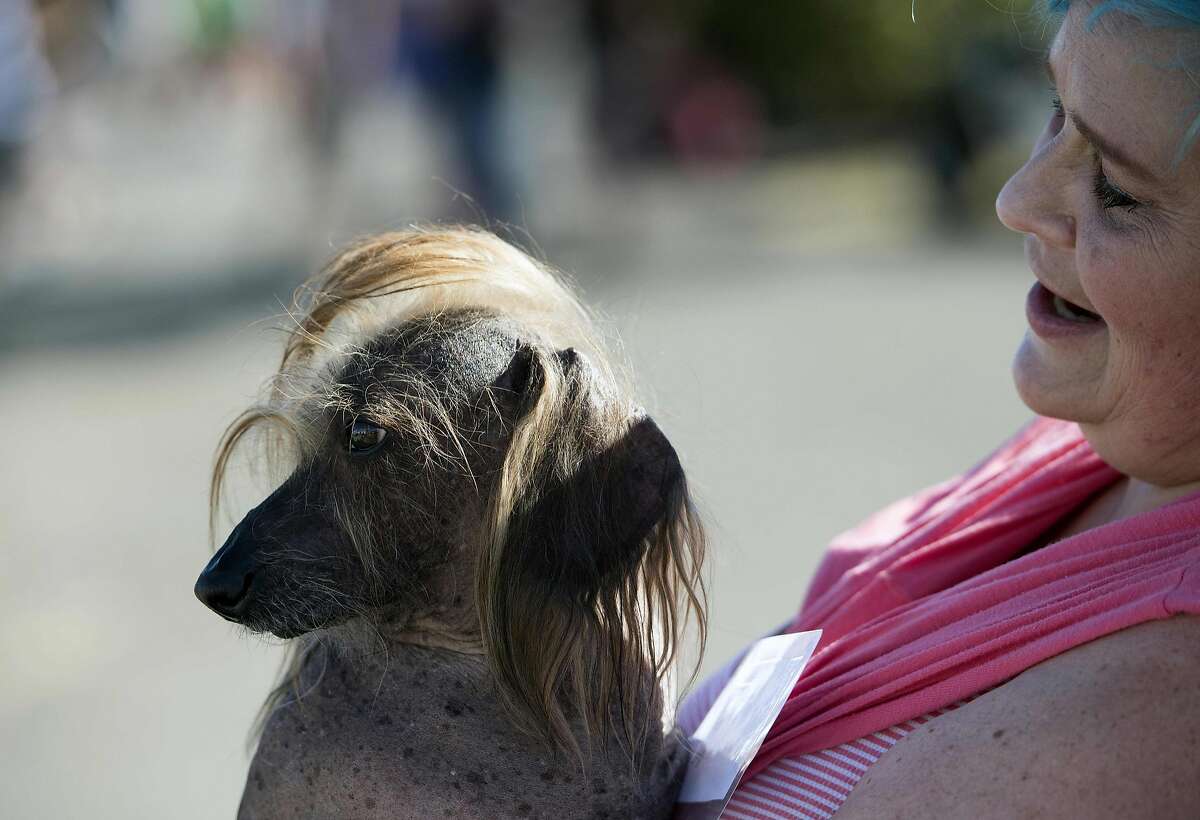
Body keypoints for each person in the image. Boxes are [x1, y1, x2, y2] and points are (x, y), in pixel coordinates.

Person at [677, 1, 1200, 817]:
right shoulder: (1095, 444)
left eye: (1117, 189)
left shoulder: (1145, 731)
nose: (1017, 199)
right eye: (1057, 112)